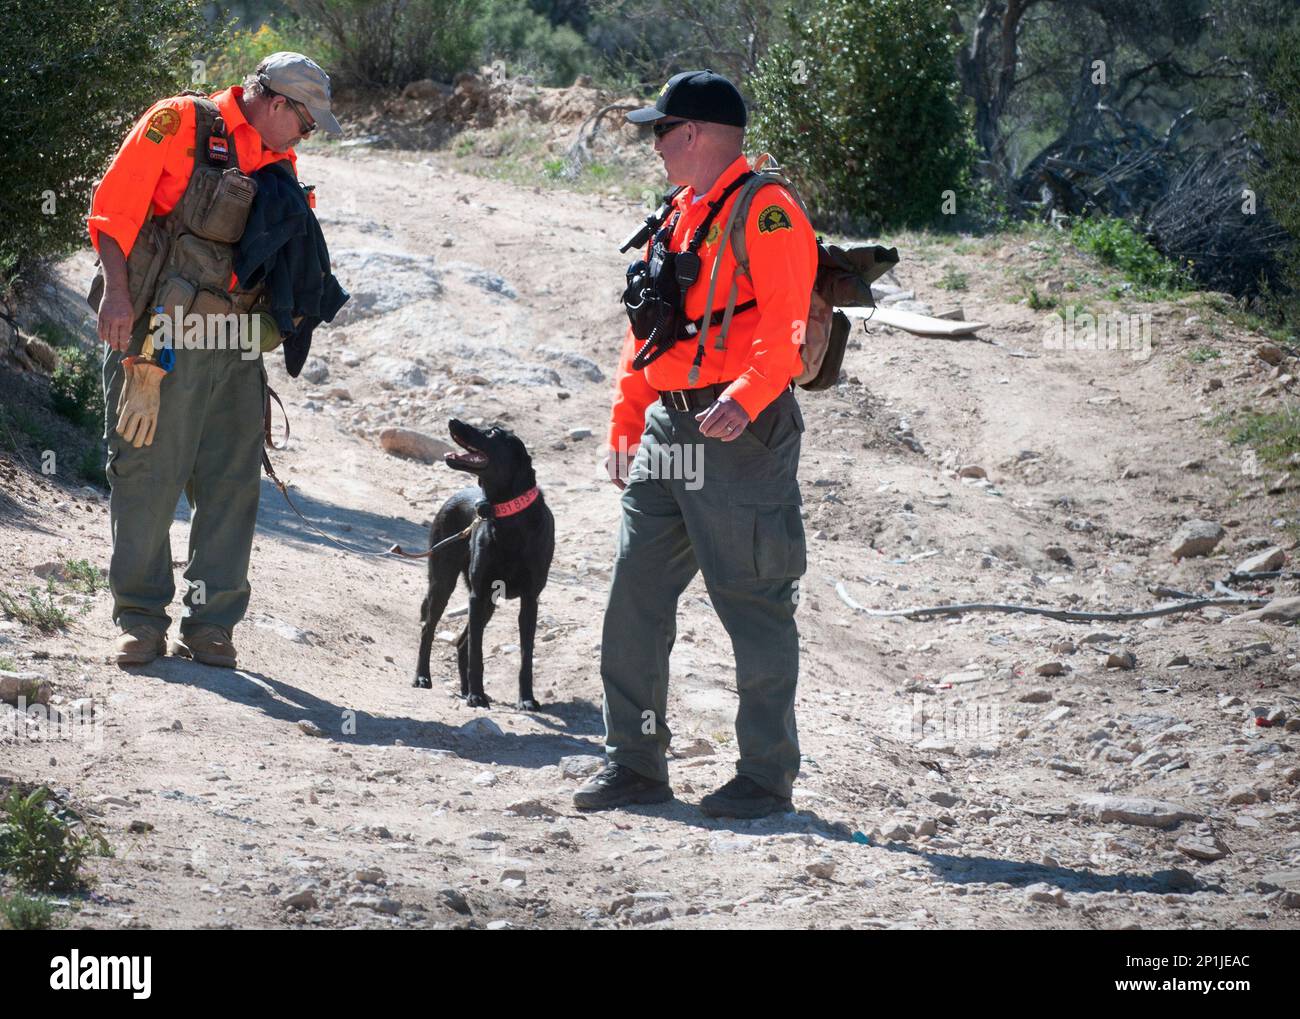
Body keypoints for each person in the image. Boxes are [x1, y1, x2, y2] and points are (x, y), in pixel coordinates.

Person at [574, 70, 817, 819]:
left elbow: (787, 331)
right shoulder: (678, 213)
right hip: (666, 431)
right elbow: (645, 335)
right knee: (634, 596)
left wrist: (743, 400)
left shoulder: (767, 213)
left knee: (753, 602)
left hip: (738, 435)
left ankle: (766, 777)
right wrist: (625, 425)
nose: (654, 143)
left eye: (661, 129)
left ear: (698, 135)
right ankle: (635, 762)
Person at [88, 52, 342, 668]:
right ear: (277, 103)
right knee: (147, 477)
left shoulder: (278, 159)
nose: (309, 134)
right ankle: (141, 620)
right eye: (307, 121)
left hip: (233, 347)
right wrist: (118, 297)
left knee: (232, 486)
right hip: (160, 341)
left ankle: (210, 626)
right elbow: (112, 209)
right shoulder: (178, 122)